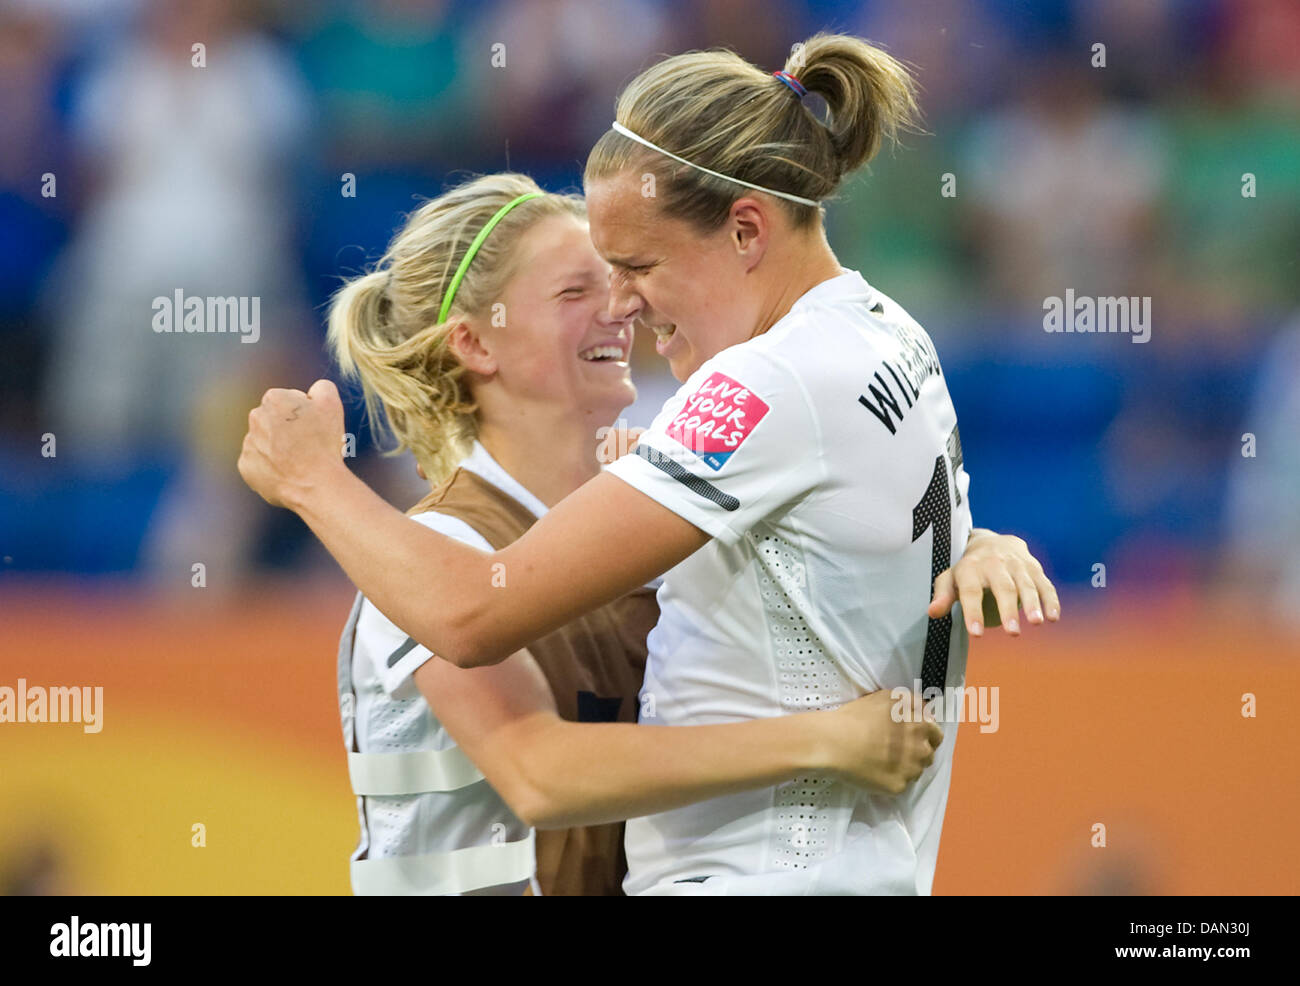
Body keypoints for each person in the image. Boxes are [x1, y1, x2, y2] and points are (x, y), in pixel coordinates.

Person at [240, 34, 1061, 895]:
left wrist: (310, 479)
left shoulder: (755, 390)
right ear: (475, 343)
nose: (620, 308)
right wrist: (958, 554)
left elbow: (479, 621)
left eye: (629, 269)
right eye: (581, 288)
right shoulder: (888, 333)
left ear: (747, 228)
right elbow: (534, 754)